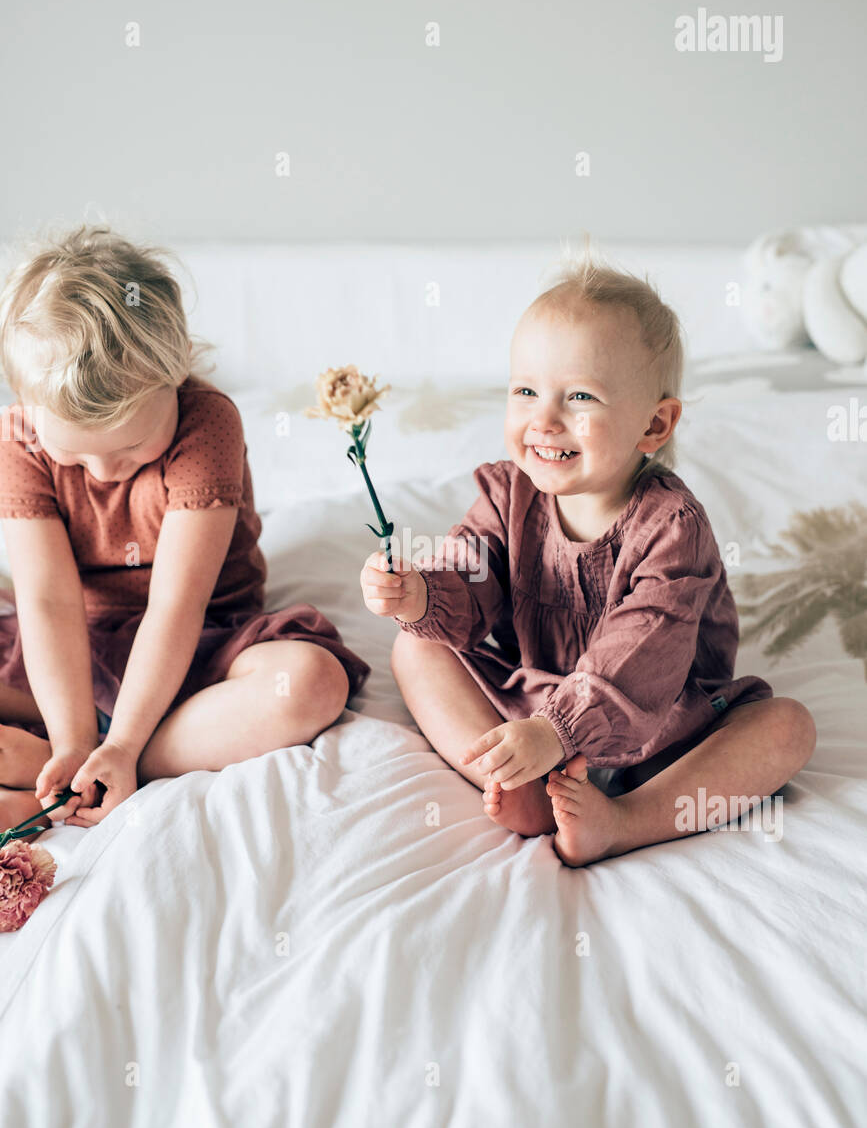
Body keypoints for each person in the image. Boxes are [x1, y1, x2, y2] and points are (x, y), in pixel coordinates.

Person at [360, 257, 816, 867]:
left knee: (786, 727)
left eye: (579, 396)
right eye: (525, 390)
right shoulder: (508, 493)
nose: (544, 419)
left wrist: (559, 733)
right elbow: (471, 577)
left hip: (664, 725)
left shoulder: (670, 525)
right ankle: (512, 779)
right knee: (414, 647)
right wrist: (421, 594)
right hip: (529, 716)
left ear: (654, 424)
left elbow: (645, 644)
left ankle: (626, 820)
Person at [0, 225, 369, 834]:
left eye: (132, 447)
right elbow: (47, 601)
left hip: (198, 643)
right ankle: (72, 758)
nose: (106, 472)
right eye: (77, 456)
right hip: (74, 648)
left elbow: (177, 605)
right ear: (26, 405)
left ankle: (118, 762)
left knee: (308, 685)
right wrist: (70, 735)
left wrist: (120, 746)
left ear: (175, 373)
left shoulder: (207, 422)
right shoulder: (18, 439)